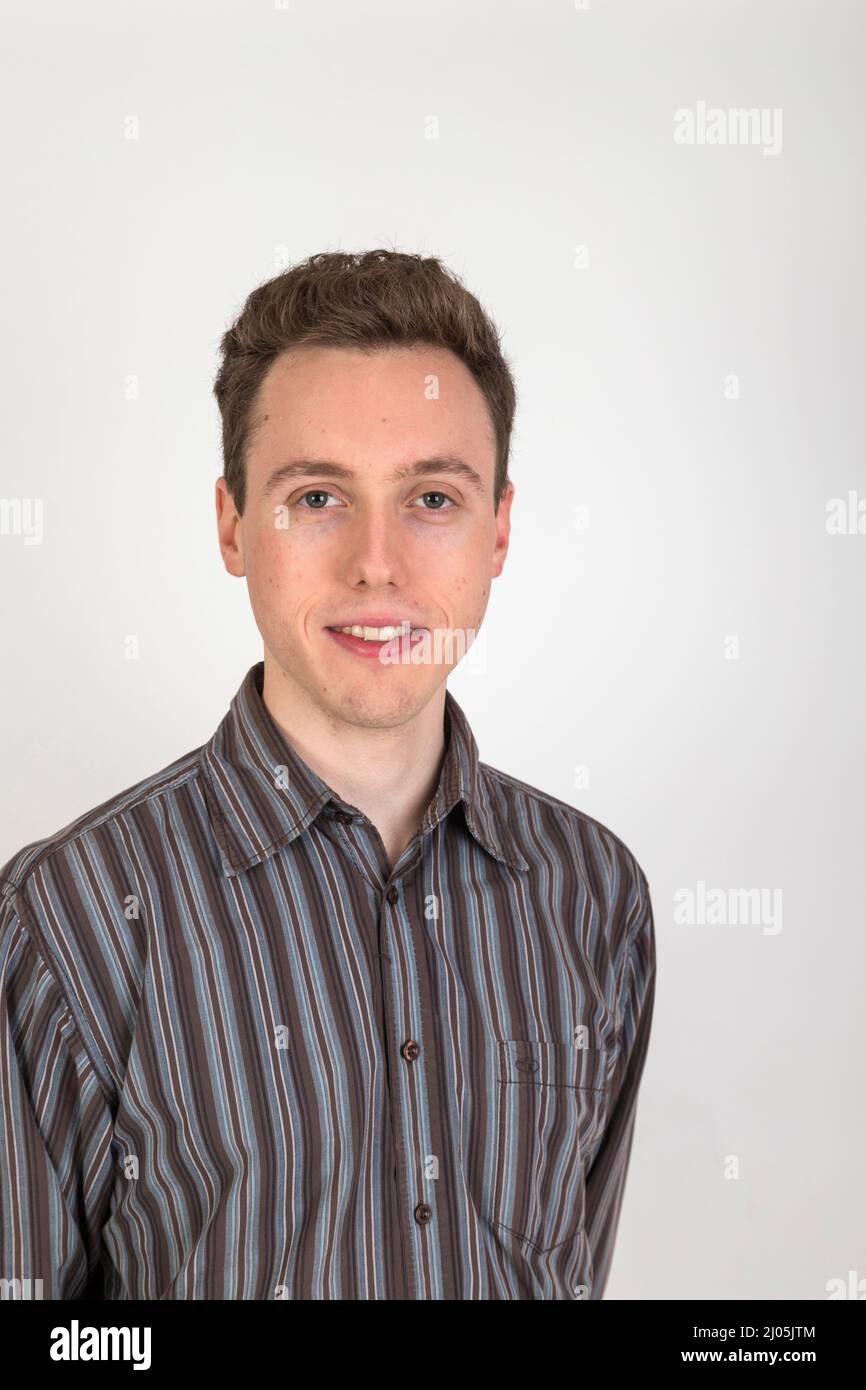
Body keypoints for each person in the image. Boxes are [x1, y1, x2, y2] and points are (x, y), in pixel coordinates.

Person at [0, 249, 655, 1300]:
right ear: (231, 525)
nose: (377, 562)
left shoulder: (595, 894)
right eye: (316, 496)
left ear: (498, 528)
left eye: (431, 497)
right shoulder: (67, 917)